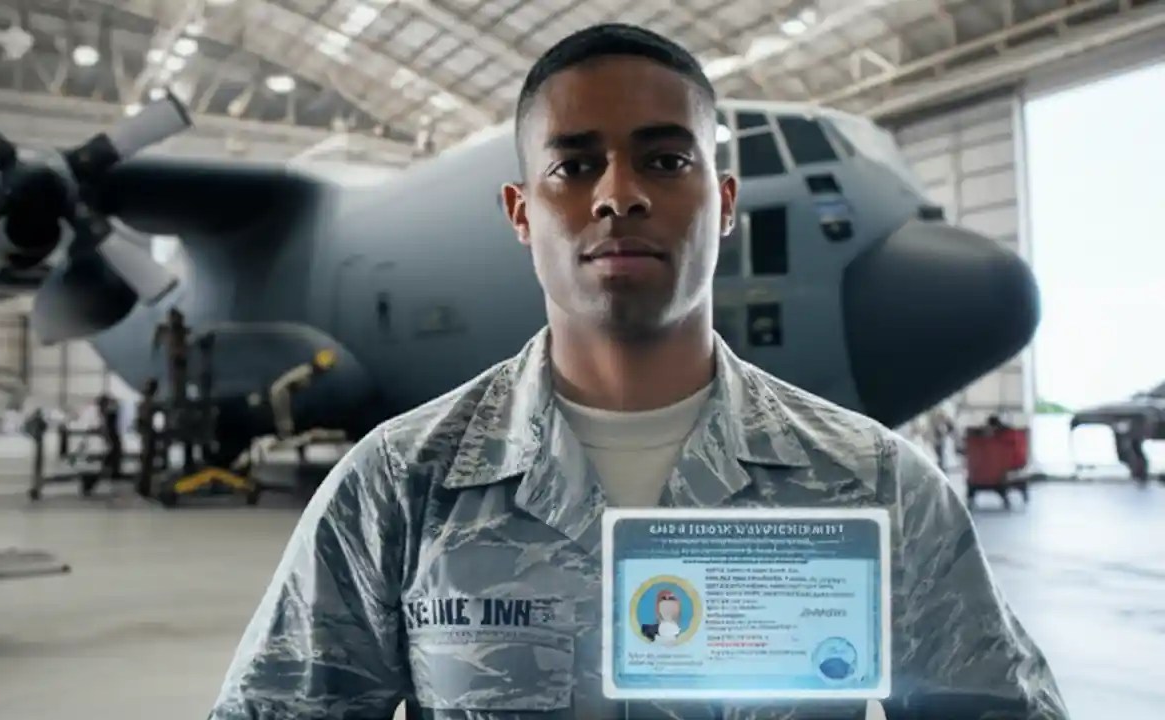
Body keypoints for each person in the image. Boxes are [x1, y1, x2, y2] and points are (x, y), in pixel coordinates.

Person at [210, 23, 1068, 720]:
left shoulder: (874, 486)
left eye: (665, 160)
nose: (619, 194)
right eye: (574, 166)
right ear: (520, 212)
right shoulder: (399, 489)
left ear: (724, 203)